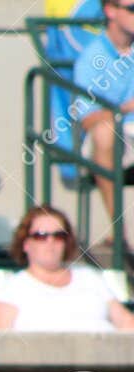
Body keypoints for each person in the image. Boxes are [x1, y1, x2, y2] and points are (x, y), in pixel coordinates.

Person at [0, 205, 134, 332]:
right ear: (25, 243)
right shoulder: (9, 290)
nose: (51, 242)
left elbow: (126, 322)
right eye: (41, 236)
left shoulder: (89, 277)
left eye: (59, 235)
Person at [72, 0, 134, 238]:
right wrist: (125, 108)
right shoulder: (92, 57)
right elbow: (88, 118)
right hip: (111, 138)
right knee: (105, 131)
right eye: (132, 9)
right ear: (110, 10)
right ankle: (118, 231)